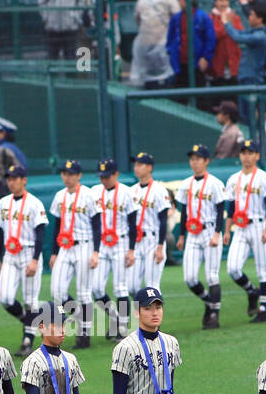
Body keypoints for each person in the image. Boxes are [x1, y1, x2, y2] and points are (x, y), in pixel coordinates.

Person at [0, 164, 47, 357]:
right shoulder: (2, 203)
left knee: (30, 300)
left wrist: (35, 260)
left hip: (29, 252)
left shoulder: (34, 203)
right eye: (9, 178)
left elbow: (40, 234)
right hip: (9, 254)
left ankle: (27, 341)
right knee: (5, 298)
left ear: (24, 180)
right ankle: (29, 321)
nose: (11, 182)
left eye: (15, 178)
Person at [47, 159, 101, 349]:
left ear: (79, 175)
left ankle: (84, 334)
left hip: (85, 245)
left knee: (84, 292)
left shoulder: (89, 195)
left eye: (71, 174)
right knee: (56, 291)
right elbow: (55, 226)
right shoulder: (59, 196)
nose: (67, 177)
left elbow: (97, 224)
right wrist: (54, 253)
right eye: (64, 173)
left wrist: (96, 251)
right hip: (64, 246)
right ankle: (78, 313)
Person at [173, 144, 227, 329]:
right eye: (192, 159)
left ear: (206, 161)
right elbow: (184, 212)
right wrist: (181, 236)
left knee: (212, 275)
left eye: (198, 159)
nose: (194, 162)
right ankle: (208, 302)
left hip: (210, 230)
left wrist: (217, 234)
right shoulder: (186, 184)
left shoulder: (215, 183)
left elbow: (221, 210)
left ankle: (214, 315)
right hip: (193, 233)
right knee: (190, 278)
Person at [223, 139, 266, 322]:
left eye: (250, 152)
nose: (246, 156)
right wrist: (227, 230)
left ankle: (263, 309)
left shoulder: (263, 177)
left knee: (263, 270)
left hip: (259, 225)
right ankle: (251, 291)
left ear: (257, 155)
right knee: (233, 268)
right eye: (243, 152)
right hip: (240, 227)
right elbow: (231, 207)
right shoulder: (233, 179)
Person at [89, 158, 136, 339]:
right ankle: (115, 318)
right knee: (97, 289)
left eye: (107, 176)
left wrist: (131, 249)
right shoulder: (94, 192)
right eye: (101, 176)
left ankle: (122, 328)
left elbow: (133, 224)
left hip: (121, 242)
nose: (104, 180)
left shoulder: (127, 192)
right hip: (101, 244)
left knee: (120, 288)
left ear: (116, 174)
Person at [225, 0, 266, 136]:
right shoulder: (253, 32)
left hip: (252, 79)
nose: (249, 17)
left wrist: (226, 22)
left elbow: (237, 37)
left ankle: (258, 148)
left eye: (252, 15)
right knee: (244, 115)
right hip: (244, 78)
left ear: (260, 19)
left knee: (251, 116)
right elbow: (238, 34)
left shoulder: (261, 36)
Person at [127, 152, 169, 297]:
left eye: (140, 164)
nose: (136, 167)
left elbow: (163, 220)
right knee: (131, 286)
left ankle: (155, 317)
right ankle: (143, 315)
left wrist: (160, 247)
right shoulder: (131, 191)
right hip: (137, 241)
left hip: (153, 239)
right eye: (135, 164)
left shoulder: (159, 189)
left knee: (152, 286)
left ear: (149, 167)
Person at [130, 0, 180, 87]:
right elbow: (177, 19)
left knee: (150, 78)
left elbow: (138, 20)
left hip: (146, 43)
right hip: (164, 43)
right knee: (167, 77)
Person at [165, 0, 216, 93]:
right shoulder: (176, 18)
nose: (179, 1)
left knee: (200, 96)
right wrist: (171, 52)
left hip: (197, 64)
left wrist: (206, 58)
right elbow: (171, 38)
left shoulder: (203, 18)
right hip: (180, 64)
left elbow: (210, 39)